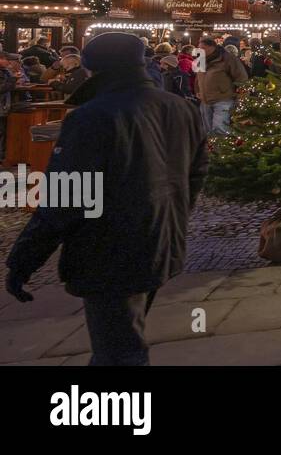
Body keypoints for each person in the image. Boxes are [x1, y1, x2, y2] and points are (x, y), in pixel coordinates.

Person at [4, 32, 208, 365]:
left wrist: (23, 260)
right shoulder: (181, 108)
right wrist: (172, 216)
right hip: (161, 241)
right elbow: (196, 174)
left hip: (109, 248)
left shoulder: (92, 117)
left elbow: (65, 197)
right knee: (126, 336)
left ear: (92, 68)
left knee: (119, 352)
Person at [196, 36, 248, 134]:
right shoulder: (201, 60)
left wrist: (241, 98)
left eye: (202, 48)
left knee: (219, 128)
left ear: (211, 47)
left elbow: (241, 78)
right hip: (205, 101)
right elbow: (198, 77)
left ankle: (219, 148)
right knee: (207, 130)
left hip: (223, 99)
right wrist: (197, 90)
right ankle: (210, 148)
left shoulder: (228, 59)